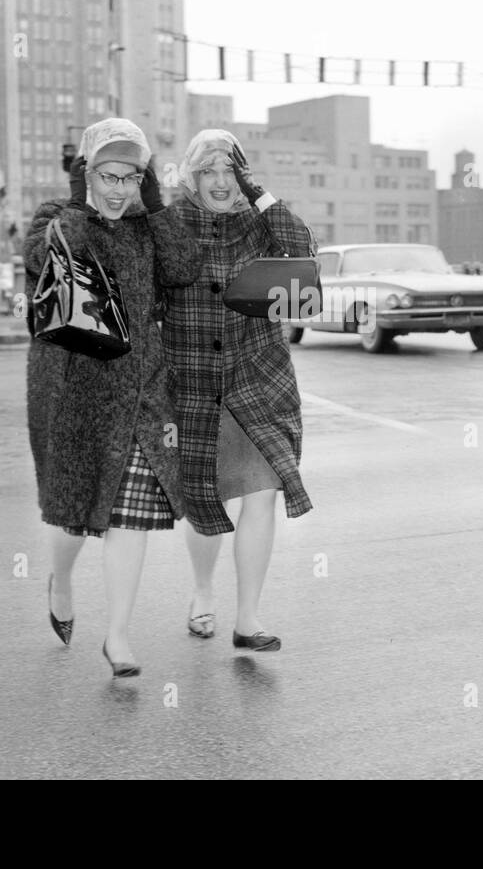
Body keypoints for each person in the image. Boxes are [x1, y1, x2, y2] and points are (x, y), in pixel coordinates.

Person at [26, 118, 200, 677]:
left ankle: (119, 636)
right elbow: (41, 260)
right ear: (86, 172)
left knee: (130, 514)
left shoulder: (149, 224)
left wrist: (156, 206)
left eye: (132, 177)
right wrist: (82, 203)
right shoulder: (58, 217)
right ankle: (62, 583)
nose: (120, 189)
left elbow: (183, 269)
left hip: (144, 385)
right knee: (71, 518)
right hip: (76, 383)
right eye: (108, 176)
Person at [165, 129, 315, 653]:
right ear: (192, 175)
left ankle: (248, 618)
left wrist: (260, 194)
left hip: (258, 378)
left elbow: (303, 251)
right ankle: (203, 594)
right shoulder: (169, 224)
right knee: (205, 498)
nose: (221, 183)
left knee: (262, 492)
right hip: (194, 381)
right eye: (210, 172)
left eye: (231, 171)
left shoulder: (259, 222)